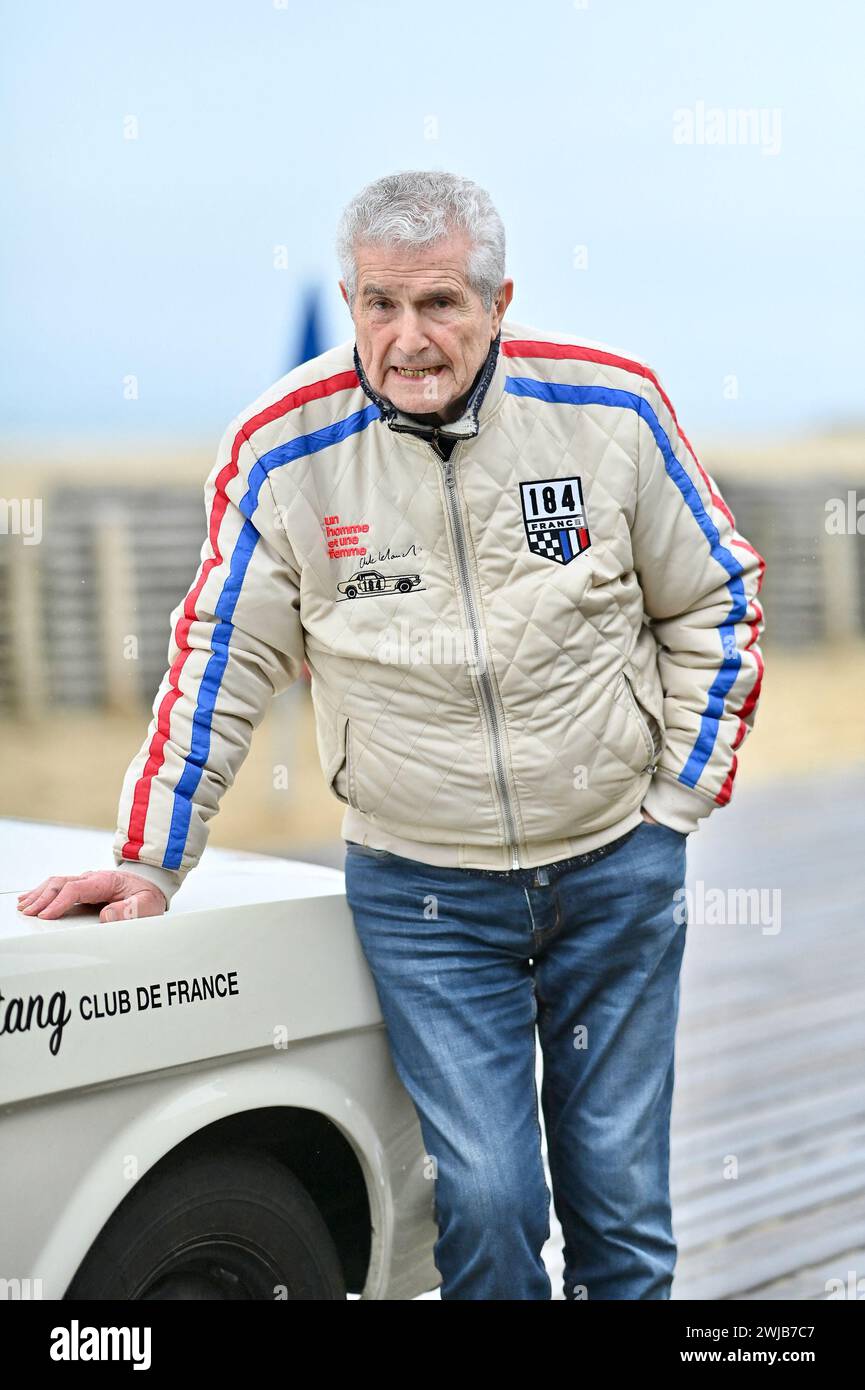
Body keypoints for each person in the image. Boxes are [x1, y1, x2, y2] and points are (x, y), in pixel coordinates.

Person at [17, 169, 766, 1299]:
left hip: (616, 867)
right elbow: (221, 656)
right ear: (347, 297)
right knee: (488, 1200)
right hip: (426, 896)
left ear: (499, 299)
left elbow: (717, 594)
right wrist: (147, 858)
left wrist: (674, 805)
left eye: (439, 305)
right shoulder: (282, 447)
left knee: (620, 1207)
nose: (406, 339)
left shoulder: (613, 409)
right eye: (378, 305)